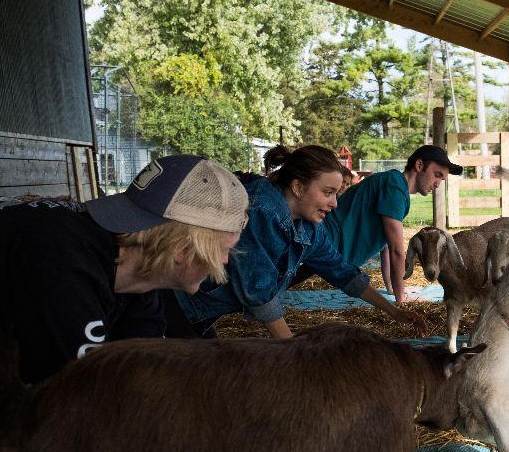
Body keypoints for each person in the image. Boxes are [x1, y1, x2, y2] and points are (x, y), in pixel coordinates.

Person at [0, 155, 248, 388]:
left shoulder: (135, 278)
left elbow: (141, 373)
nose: (224, 261)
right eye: (224, 250)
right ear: (182, 250)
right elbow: (78, 402)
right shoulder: (64, 269)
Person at [168, 144, 426, 339]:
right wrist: (294, 351)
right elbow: (259, 292)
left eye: (336, 194)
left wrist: (393, 311)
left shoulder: (308, 227)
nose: (335, 204)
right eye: (328, 193)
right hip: (173, 302)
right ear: (298, 187)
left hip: (201, 310)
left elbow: (341, 271)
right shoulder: (262, 210)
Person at [316, 145, 462, 303]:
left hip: (324, 246)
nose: (438, 184)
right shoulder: (395, 187)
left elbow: (385, 247)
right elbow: (397, 251)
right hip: (321, 242)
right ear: (419, 165)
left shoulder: (395, 185)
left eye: (442, 179)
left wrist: (393, 289)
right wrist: (401, 299)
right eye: (437, 175)